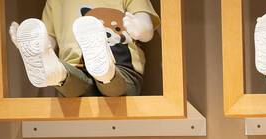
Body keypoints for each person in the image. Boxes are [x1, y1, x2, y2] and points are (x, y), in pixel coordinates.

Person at [9, 2, 159, 99]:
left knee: (114, 87)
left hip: (123, 69)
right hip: (76, 70)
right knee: (71, 83)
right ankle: (53, 71)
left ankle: (103, 69)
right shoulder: (55, 2)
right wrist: (36, 44)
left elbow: (146, 28)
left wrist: (140, 27)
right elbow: (50, 37)